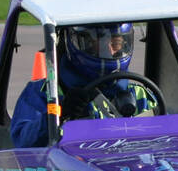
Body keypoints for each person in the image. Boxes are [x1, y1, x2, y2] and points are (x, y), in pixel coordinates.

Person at [10, 22, 158, 147]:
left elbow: (168, 142)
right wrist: (59, 114)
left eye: (116, 44)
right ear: (74, 43)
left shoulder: (141, 97)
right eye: (95, 44)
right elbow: (22, 141)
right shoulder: (45, 93)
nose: (108, 51)